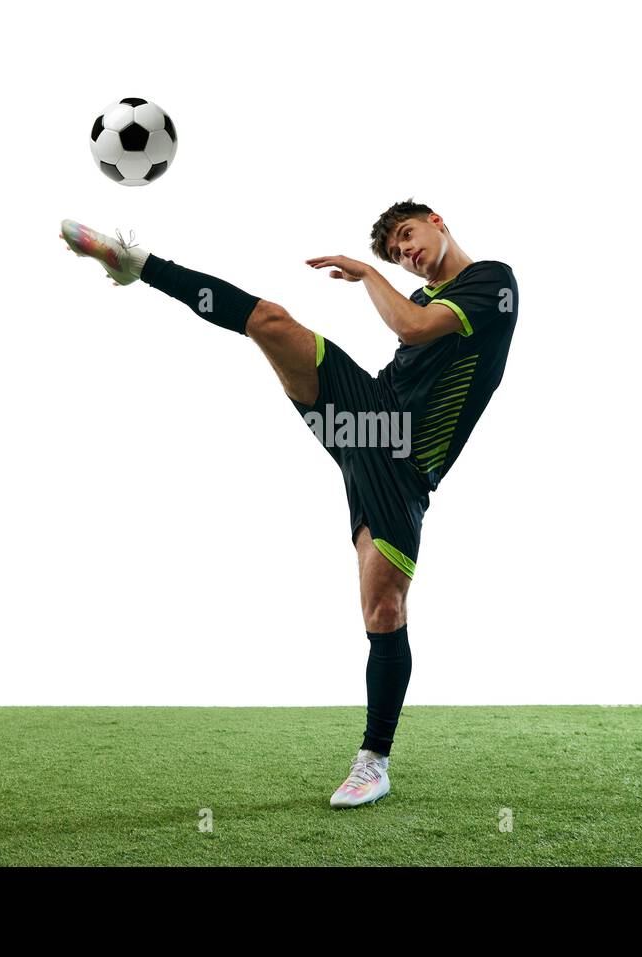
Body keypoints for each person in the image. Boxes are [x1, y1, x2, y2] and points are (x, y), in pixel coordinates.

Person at [59, 199, 519, 807]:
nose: (406, 253)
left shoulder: (491, 281)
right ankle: (137, 264)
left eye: (407, 238)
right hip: (368, 415)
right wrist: (380, 274)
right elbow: (408, 332)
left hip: (406, 466)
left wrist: (366, 270)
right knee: (272, 320)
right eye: (395, 251)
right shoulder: (425, 296)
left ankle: (373, 762)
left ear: (437, 220)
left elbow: (409, 328)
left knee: (384, 611)